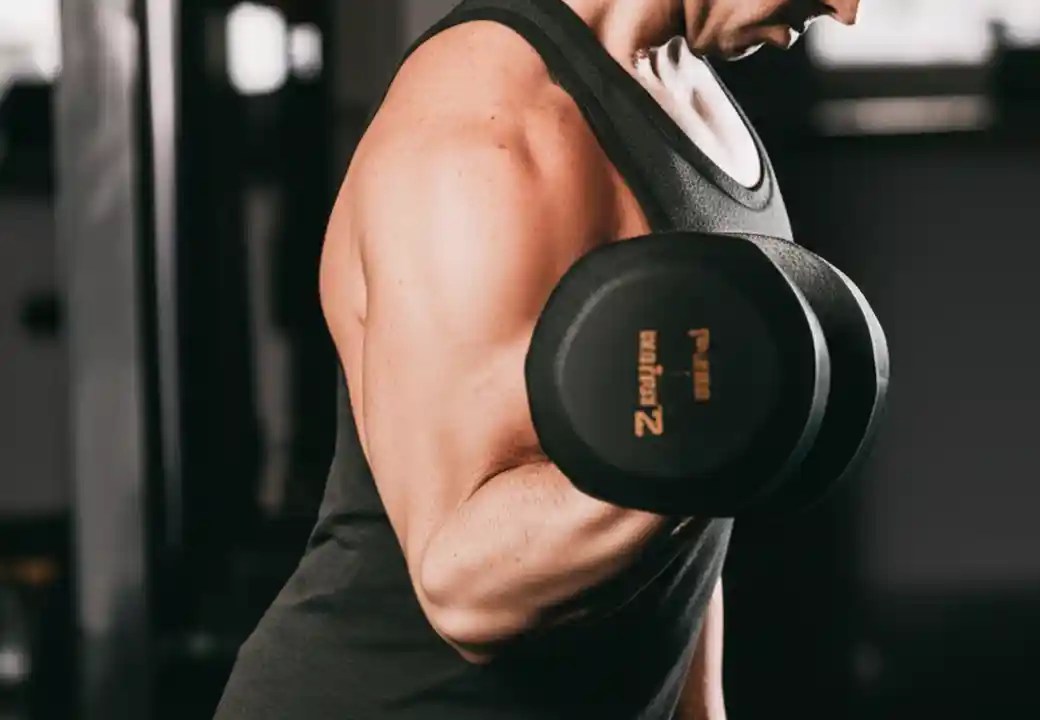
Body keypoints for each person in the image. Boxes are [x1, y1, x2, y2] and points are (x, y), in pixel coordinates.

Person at [213, 1, 860, 718]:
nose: (849, 8)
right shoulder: (485, 133)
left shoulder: (691, 90)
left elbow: (686, 499)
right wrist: (711, 440)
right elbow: (462, 592)